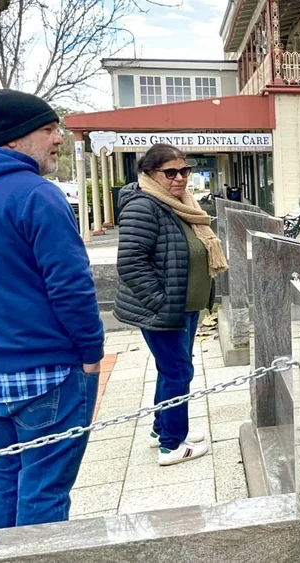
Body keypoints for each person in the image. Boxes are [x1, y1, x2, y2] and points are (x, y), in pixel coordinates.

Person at [0, 89, 104, 529]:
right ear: (14, 139)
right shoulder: (36, 195)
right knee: (44, 488)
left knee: (4, 479)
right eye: (48, 129)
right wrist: (91, 353)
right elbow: (70, 285)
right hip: (47, 367)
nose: (58, 139)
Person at [114, 143, 228, 466]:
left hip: (186, 307)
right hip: (165, 310)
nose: (180, 178)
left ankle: (161, 427)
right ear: (150, 174)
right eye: (170, 172)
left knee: (171, 370)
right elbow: (131, 263)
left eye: (184, 171)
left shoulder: (180, 203)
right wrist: (160, 304)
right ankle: (172, 444)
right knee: (179, 372)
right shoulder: (144, 206)